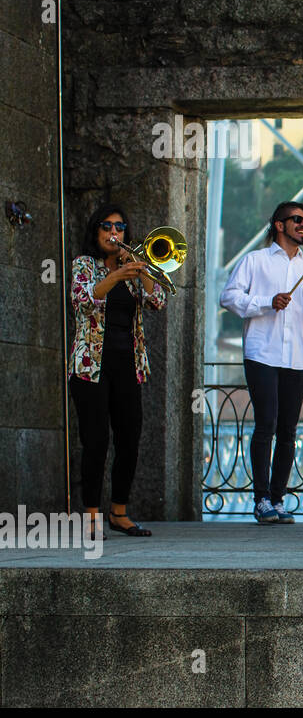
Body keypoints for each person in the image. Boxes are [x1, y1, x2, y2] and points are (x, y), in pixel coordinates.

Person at [220, 201, 303, 524]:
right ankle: (260, 501)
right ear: (278, 225)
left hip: (297, 357)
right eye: (297, 220)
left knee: (288, 431)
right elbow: (228, 297)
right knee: (266, 424)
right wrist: (265, 303)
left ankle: (278, 499)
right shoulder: (254, 261)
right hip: (262, 354)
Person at [68, 204, 167, 537]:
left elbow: (158, 303)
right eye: (107, 227)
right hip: (90, 366)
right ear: (96, 233)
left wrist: (143, 273)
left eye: (120, 228)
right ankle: (92, 516)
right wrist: (113, 278)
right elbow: (82, 301)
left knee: (130, 439)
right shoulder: (84, 265)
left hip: (127, 364)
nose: (115, 234)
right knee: (96, 441)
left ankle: (119, 512)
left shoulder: (133, 267)